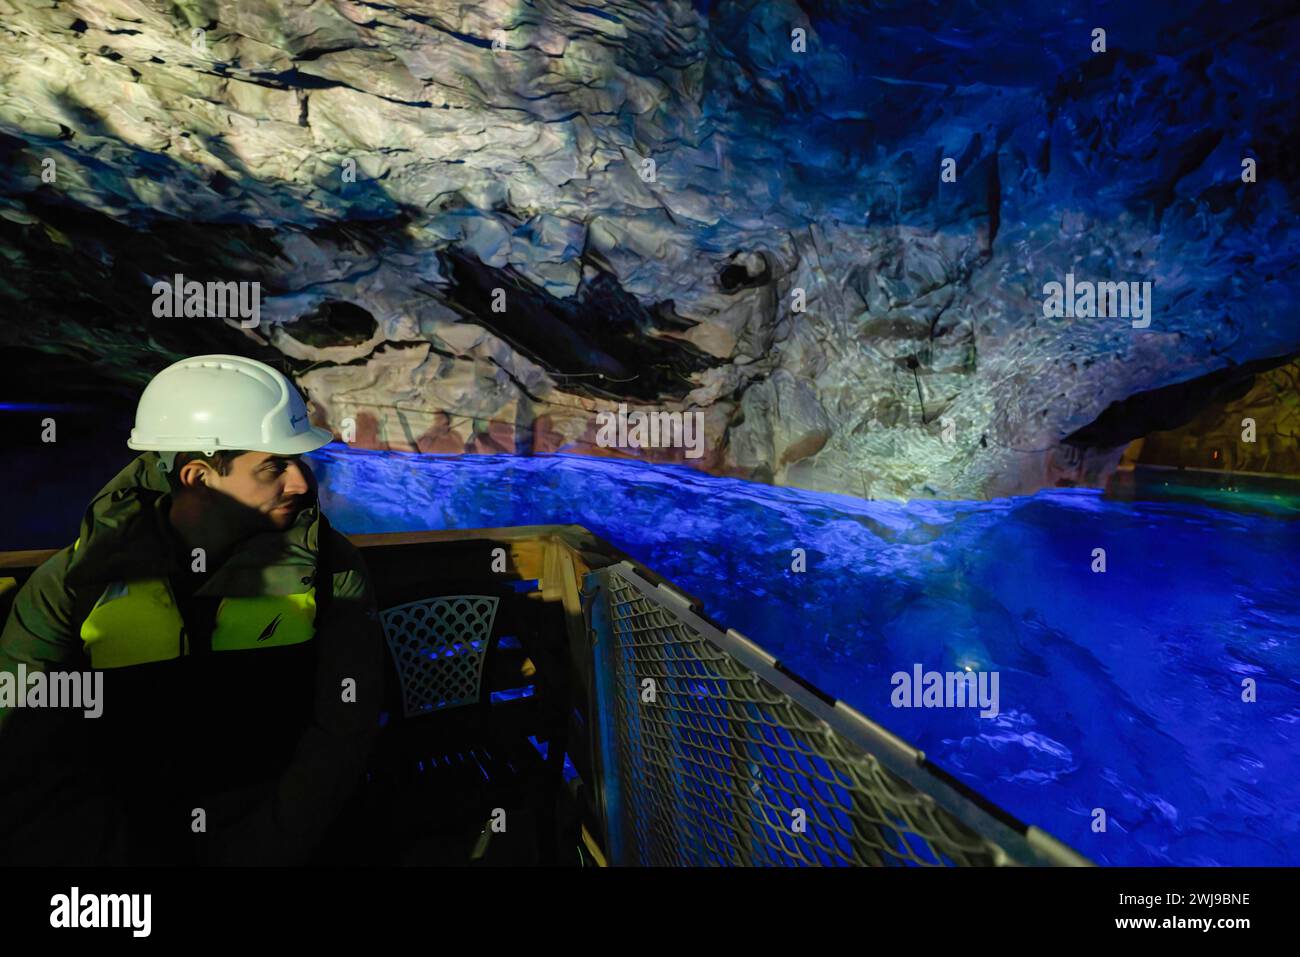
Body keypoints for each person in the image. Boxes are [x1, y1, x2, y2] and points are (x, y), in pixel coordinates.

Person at [0, 354, 385, 865]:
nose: (300, 483)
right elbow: (22, 749)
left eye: (299, 462)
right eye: (275, 466)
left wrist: (261, 849)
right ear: (199, 477)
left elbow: (342, 731)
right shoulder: (70, 588)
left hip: (286, 839)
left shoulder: (332, 570)